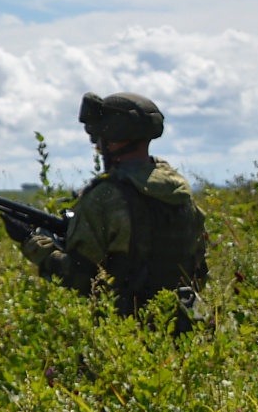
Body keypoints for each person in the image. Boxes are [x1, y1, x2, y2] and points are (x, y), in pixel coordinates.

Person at [11, 92, 208, 322]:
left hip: (130, 331)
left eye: (98, 139)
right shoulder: (178, 189)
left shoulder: (105, 196)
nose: (97, 146)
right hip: (188, 323)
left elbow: (78, 277)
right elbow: (199, 269)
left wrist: (31, 241)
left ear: (111, 138)